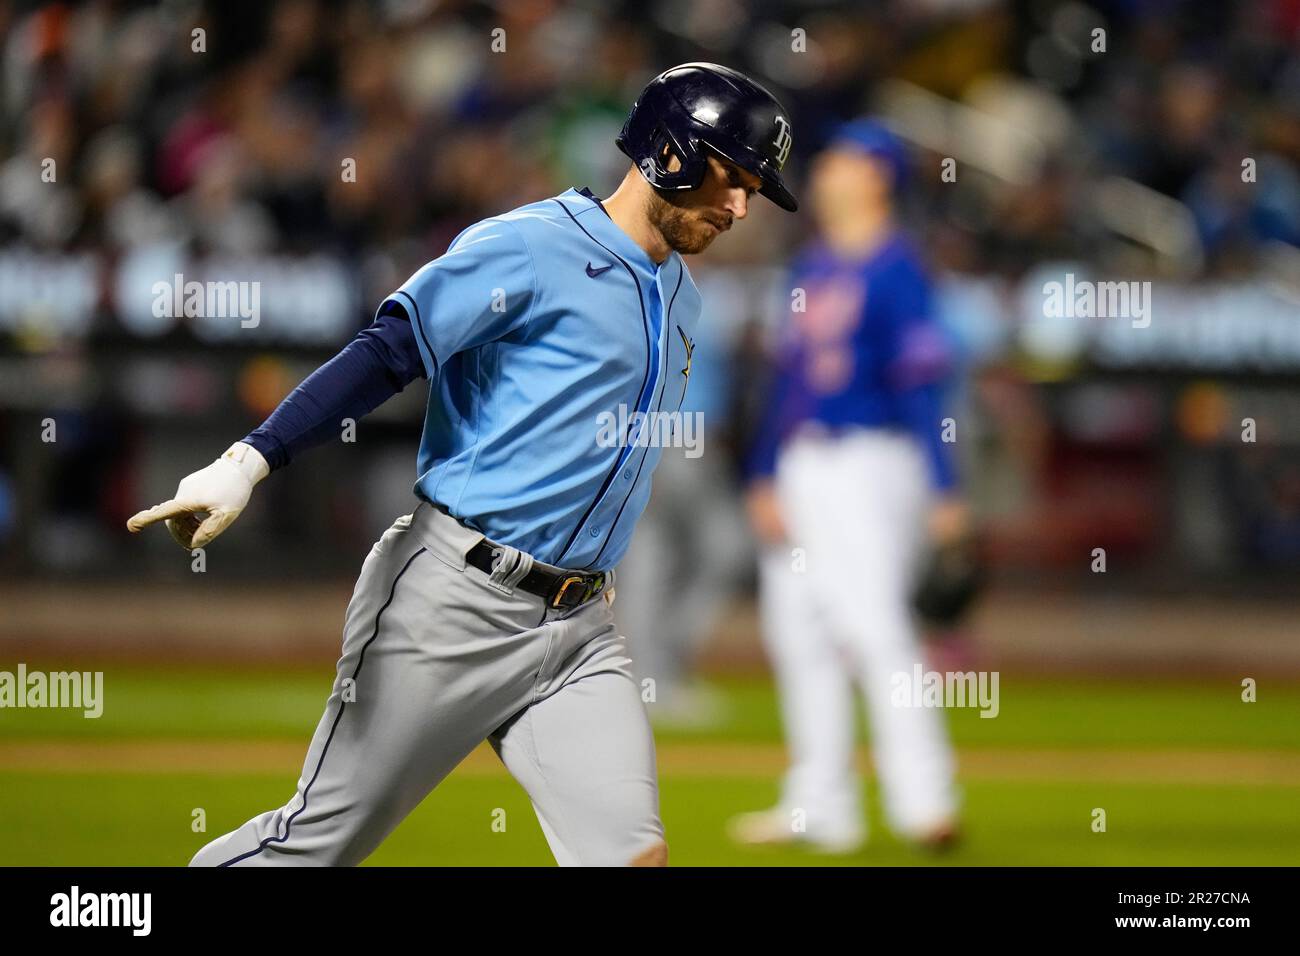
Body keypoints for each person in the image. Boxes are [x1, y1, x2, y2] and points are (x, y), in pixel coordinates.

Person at [127, 63, 798, 867]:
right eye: (733, 177)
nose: (740, 206)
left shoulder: (682, 295)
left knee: (629, 856)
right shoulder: (531, 245)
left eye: (755, 189)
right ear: (671, 150)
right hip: (453, 600)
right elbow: (391, 351)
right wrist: (250, 458)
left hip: (578, 626)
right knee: (312, 847)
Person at [729, 119, 963, 854]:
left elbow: (924, 386)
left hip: (872, 461)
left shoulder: (899, 268)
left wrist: (945, 486)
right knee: (798, 631)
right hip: (804, 463)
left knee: (874, 627)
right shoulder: (816, 266)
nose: (825, 171)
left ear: (877, 176)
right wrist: (766, 472)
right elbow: (787, 382)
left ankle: (925, 799)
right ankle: (820, 805)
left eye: (842, 160)